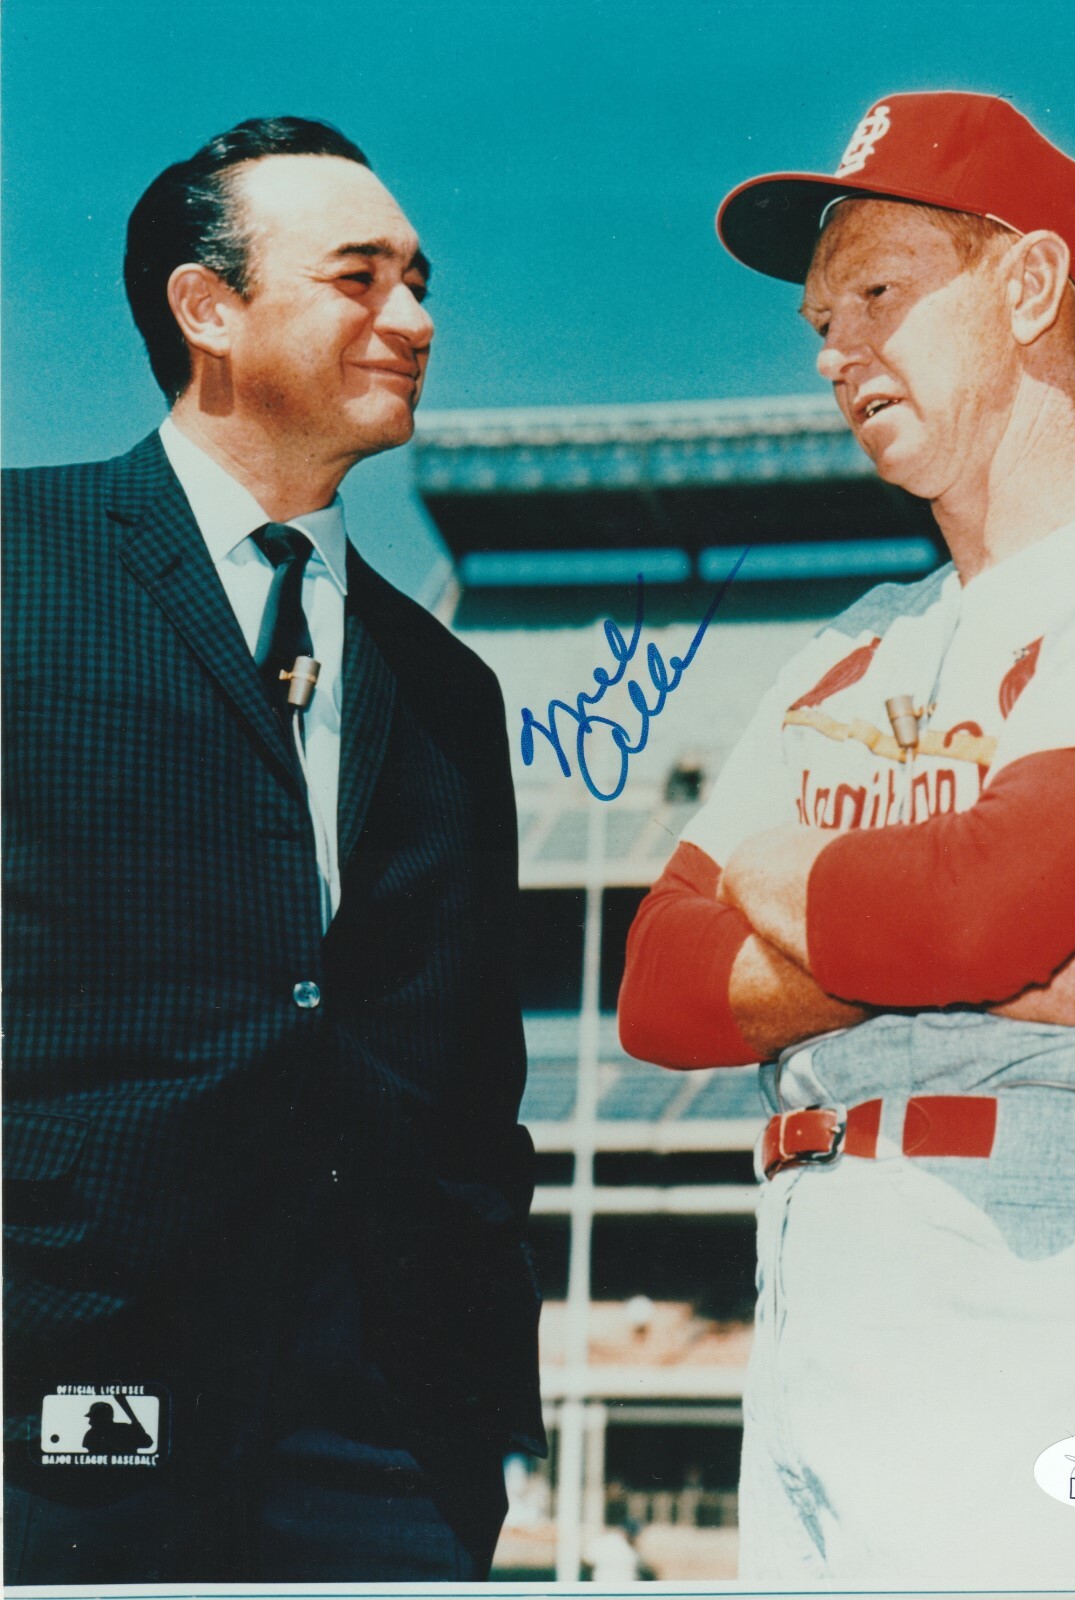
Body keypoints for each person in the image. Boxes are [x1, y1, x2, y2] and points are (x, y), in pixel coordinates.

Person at [619, 91, 1075, 1583]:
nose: (834, 350)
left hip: (1060, 1265)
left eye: (878, 292)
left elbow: (973, 912)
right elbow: (659, 987)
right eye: (817, 320)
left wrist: (793, 888)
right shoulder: (848, 647)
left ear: (1034, 285)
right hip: (811, 1294)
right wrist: (978, 971)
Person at [3, 116, 542, 1583]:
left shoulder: (448, 688)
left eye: (421, 280)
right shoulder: (18, 564)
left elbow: (469, 1065)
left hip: (393, 1421)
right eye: (361, 277)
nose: (416, 319)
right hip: (70, 1385)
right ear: (208, 310)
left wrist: (482, 1389)